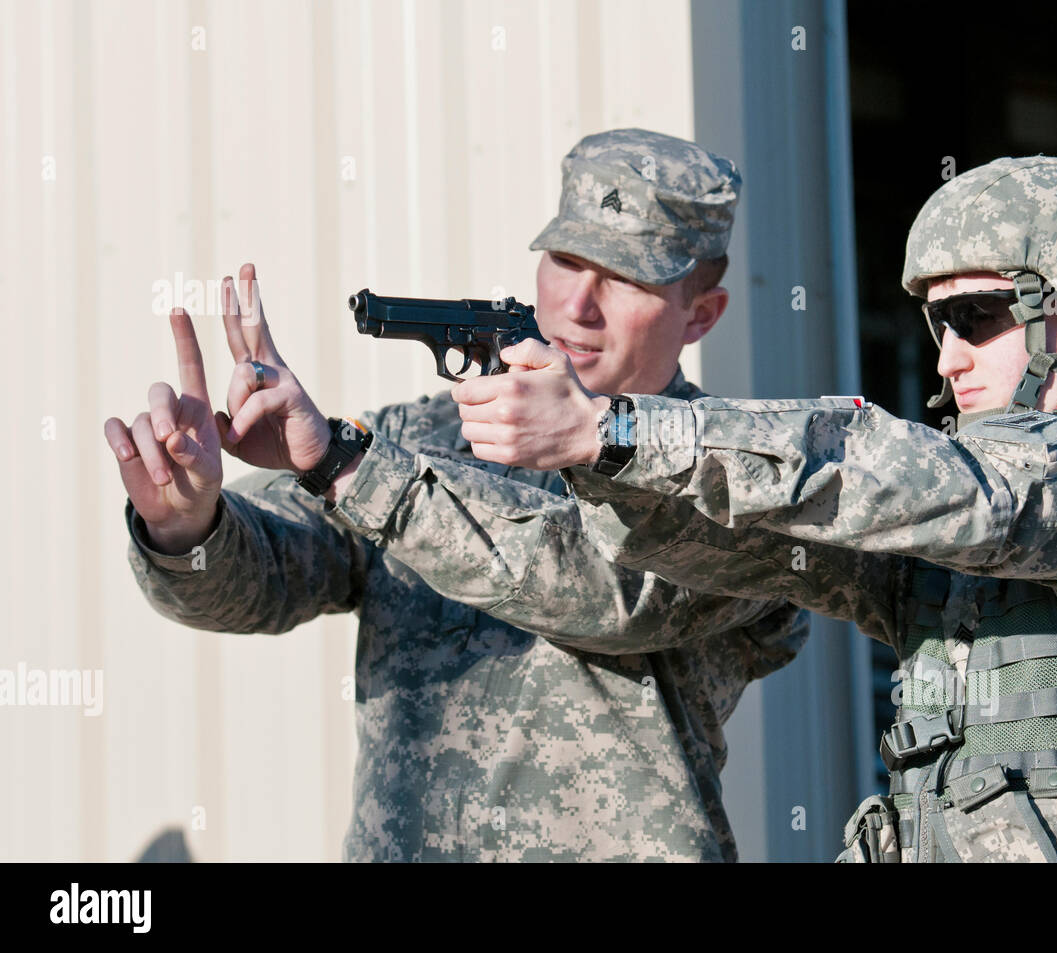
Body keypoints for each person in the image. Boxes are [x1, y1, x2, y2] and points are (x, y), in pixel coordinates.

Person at [450, 155, 1057, 862]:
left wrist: (619, 427)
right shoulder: (942, 531)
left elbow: (915, 479)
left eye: (974, 319)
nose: (948, 359)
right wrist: (598, 460)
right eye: (937, 325)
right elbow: (749, 540)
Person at [103, 128, 810, 862]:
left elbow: (603, 591)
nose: (579, 305)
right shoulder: (416, 440)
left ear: (702, 314)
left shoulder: (738, 477)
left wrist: (351, 471)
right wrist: (189, 527)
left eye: (626, 277)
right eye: (567, 261)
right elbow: (264, 576)